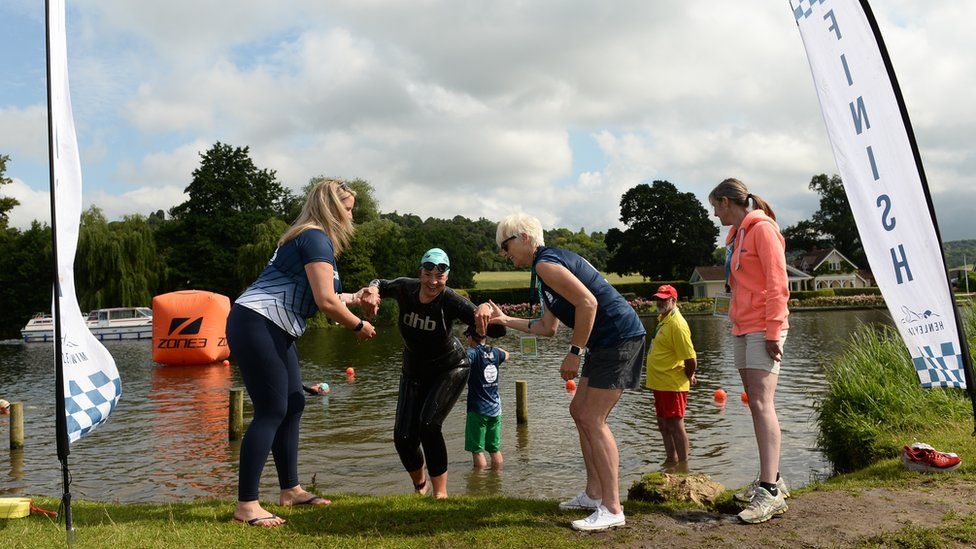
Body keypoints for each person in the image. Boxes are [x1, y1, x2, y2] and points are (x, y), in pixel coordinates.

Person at [226, 179, 376, 528]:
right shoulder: (315, 238)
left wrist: (359, 296)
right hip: (258, 323)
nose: (351, 217)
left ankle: (290, 490)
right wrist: (359, 326)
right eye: (348, 209)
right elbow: (325, 304)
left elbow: (322, 294)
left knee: (294, 403)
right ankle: (246, 505)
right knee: (272, 409)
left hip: (269, 326)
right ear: (332, 208)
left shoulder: (310, 239)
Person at [487, 213, 646, 532]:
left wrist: (575, 352)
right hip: (606, 340)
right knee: (580, 411)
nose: (505, 255)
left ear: (525, 238)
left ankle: (612, 507)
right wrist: (505, 320)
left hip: (619, 337)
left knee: (592, 417)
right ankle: (593, 494)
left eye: (506, 246)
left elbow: (588, 304)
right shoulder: (542, 270)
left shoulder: (546, 264)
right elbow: (547, 328)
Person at [359, 248, 504, 499]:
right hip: (414, 369)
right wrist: (372, 288)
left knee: (429, 424)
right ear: (421, 272)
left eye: (440, 275)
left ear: (447, 277)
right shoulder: (406, 288)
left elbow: (497, 332)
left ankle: (441, 494)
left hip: (450, 367)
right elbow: (381, 283)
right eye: (428, 274)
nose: (433, 281)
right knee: (403, 437)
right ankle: (420, 486)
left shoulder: (451, 301)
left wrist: (484, 308)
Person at [708, 177, 791, 524]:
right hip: (742, 327)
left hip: (763, 328)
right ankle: (770, 478)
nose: (715, 214)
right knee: (756, 404)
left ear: (728, 201)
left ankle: (769, 491)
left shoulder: (762, 230)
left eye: (715, 207)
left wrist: (773, 331)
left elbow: (777, 283)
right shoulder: (737, 235)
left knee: (761, 403)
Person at [644, 284, 697, 468]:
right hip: (660, 382)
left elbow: (690, 359)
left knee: (675, 425)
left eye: (664, 299)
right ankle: (670, 460)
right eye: (658, 298)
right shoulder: (664, 318)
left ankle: (683, 467)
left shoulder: (677, 324)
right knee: (663, 423)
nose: (660, 302)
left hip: (672, 383)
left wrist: (688, 375)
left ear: (673, 301)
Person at [463, 325, 509, 470]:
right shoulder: (495, 353)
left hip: (478, 409)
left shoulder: (472, 353)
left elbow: (462, 360)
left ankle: (481, 484)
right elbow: (507, 354)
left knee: (477, 450)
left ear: (470, 337)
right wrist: (489, 349)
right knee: (494, 448)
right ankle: (497, 479)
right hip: (496, 409)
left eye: (467, 336)